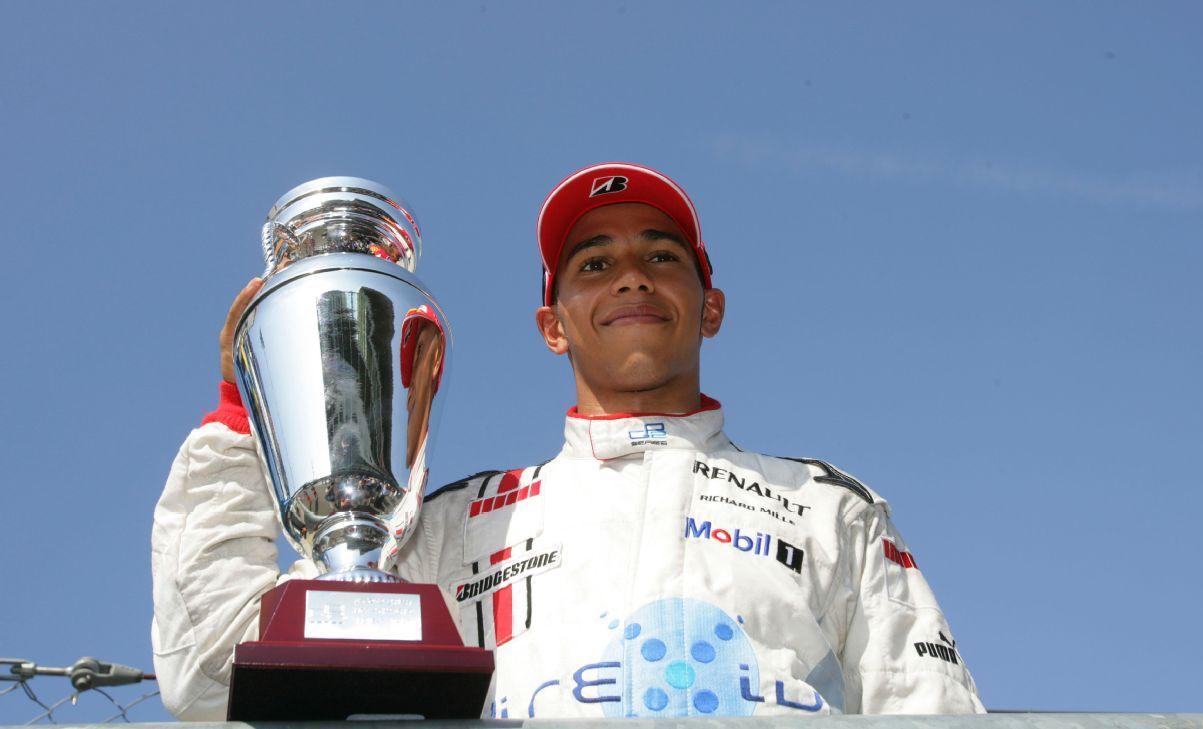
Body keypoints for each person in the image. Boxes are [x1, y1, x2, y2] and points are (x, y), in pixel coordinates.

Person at [151, 162, 984, 719]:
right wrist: (238, 417)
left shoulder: (828, 506)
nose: (631, 275)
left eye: (662, 256)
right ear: (552, 325)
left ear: (711, 307)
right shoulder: (446, 525)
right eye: (594, 264)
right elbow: (215, 672)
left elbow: (929, 704)